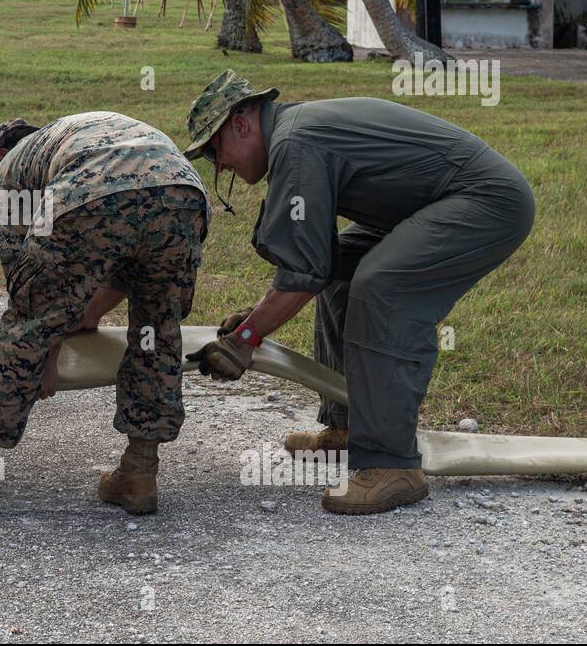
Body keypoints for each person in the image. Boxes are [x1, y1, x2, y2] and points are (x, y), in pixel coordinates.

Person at [183, 70, 535, 514]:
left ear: (240, 123)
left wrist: (246, 340)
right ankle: (349, 427)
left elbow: (302, 272)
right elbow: (315, 265)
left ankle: (394, 465)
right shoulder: (293, 136)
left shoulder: (295, 143)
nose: (220, 167)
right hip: (435, 202)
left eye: (215, 152)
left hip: (488, 202)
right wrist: (254, 321)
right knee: (342, 273)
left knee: (382, 289)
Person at [0, 112, 210, 517]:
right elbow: (119, 270)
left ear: (0, 154)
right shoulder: (83, 136)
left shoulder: (8, 171)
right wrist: (87, 315)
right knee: (158, 329)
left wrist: (48, 355)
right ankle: (139, 473)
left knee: (25, 325)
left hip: (94, 193)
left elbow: (33, 307)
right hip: (182, 193)